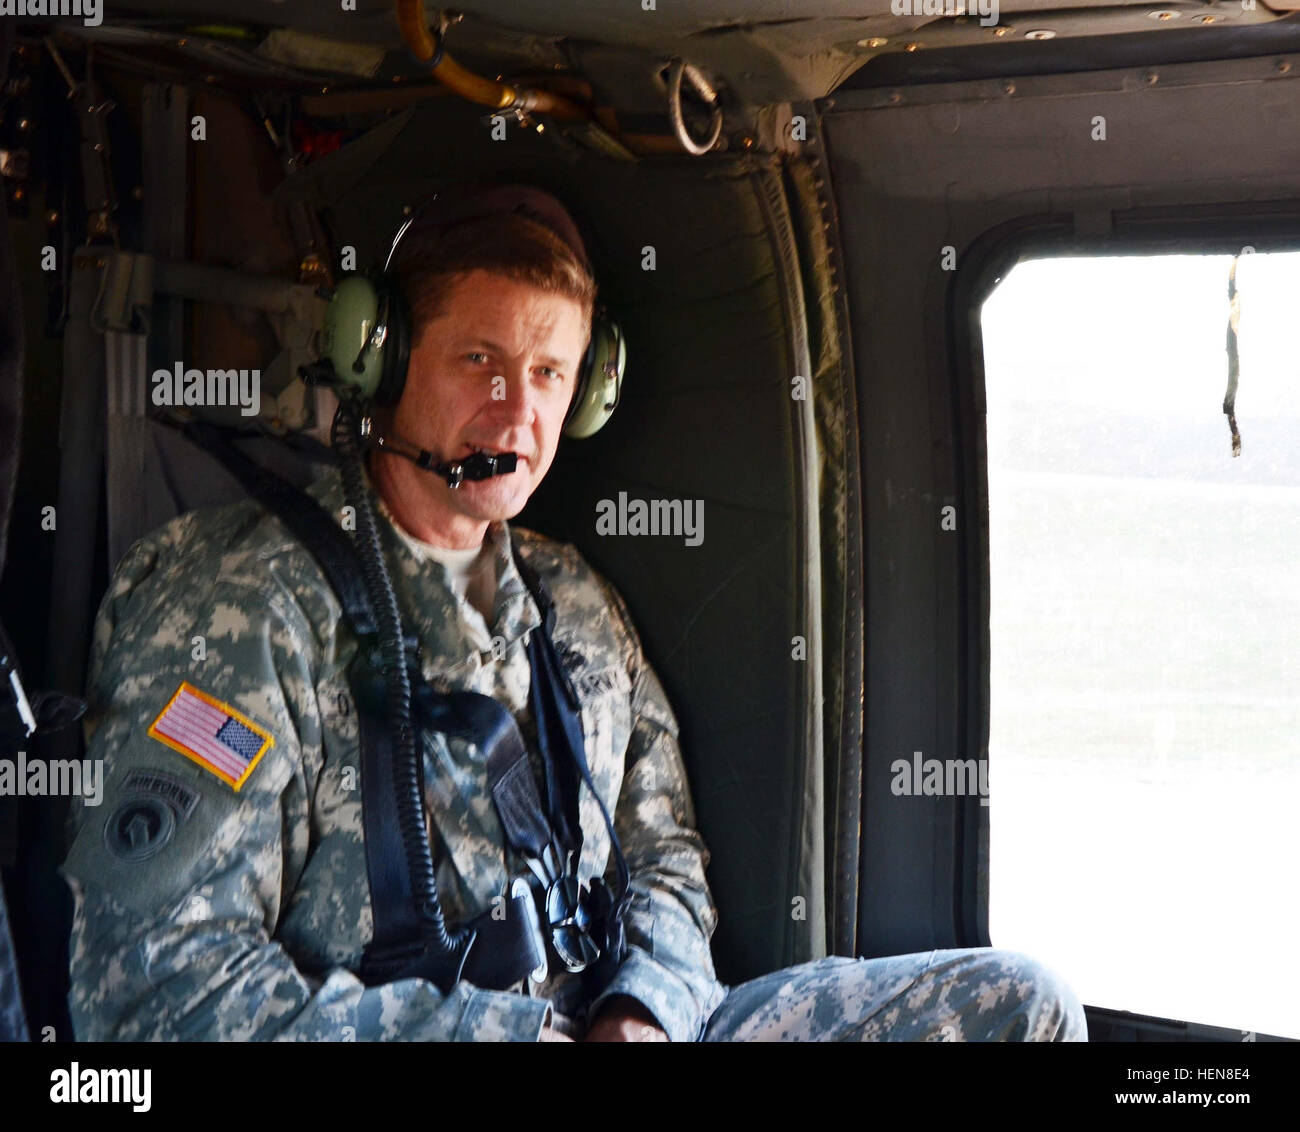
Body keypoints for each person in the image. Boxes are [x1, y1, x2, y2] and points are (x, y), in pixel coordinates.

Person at [59, 183, 1087, 1042]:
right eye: (479, 361)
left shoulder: (575, 603)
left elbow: (666, 865)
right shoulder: (241, 605)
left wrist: (640, 1011)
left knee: (1016, 1007)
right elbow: (157, 989)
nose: (518, 412)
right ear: (376, 359)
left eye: (549, 373)